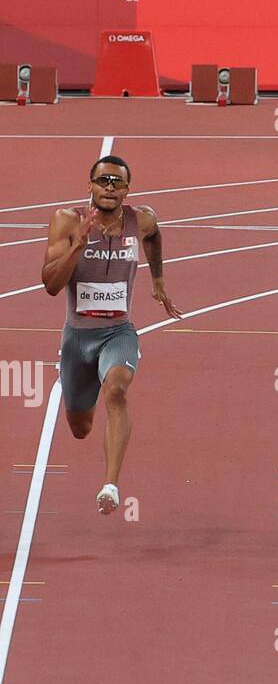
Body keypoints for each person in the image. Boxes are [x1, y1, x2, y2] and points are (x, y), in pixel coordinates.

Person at [41, 154, 182, 514]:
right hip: (77, 338)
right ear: (89, 185)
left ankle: (110, 485)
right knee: (80, 427)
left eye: (117, 182)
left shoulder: (142, 220)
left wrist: (159, 280)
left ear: (127, 190)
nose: (109, 187)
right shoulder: (67, 220)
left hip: (118, 333)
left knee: (116, 392)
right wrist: (78, 244)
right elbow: (51, 285)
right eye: (103, 180)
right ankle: (81, 411)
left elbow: (154, 236)